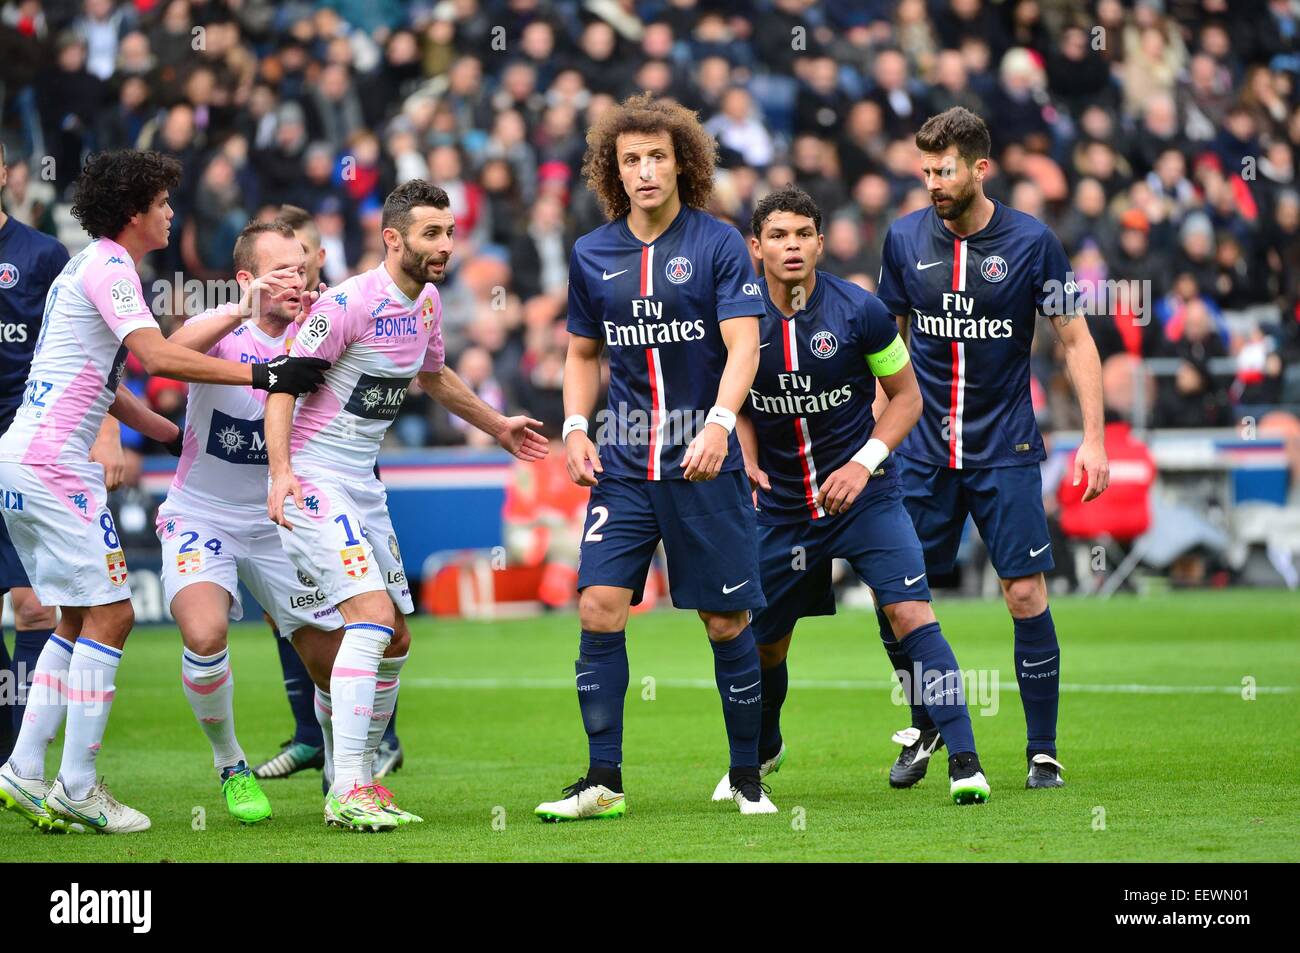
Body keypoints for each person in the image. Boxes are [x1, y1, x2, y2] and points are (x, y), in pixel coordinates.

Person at [0, 149, 327, 834]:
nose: (172, 212)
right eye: (162, 203)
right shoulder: (112, 266)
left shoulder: (85, 266)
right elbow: (157, 357)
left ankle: (25, 769)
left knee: (74, 616)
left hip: (23, 457)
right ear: (133, 212)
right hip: (56, 464)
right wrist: (260, 379)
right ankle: (79, 785)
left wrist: (161, 431)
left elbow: (104, 379)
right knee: (114, 616)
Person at [265, 179, 547, 831]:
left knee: (394, 636)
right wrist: (280, 472)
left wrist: (497, 424)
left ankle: (361, 776)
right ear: (393, 239)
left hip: (362, 481)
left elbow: (433, 374)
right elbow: (281, 385)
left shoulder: (426, 303)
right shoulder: (346, 305)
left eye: (449, 232)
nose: (445, 245)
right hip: (313, 476)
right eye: (431, 233)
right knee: (367, 616)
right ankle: (347, 786)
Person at [532, 93, 770, 821]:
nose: (644, 170)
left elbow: (744, 345)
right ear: (614, 169)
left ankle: (747, 778)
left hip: (704, 460)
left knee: (725, 623)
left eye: (657, 157)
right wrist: (575, 425)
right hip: (626, 464)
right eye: (630, 159)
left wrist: (722, 424)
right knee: (599, 607)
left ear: (682, 163)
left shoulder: (720, 243)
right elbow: (580, 352)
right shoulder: (591, 253)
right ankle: (603, 779)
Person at [725, 185, 989, 804]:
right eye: (778, 236)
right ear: (755, 246)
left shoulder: (861, 311)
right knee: (765, 643)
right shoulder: (734, 319)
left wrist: (864, 463)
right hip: (783, 509)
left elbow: (908, 398)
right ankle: (762, 752)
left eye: (802, 235)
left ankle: (967, 762)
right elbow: (732, 401)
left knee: (910, 612)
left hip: (866, 497)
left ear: (820, 242)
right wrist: (750, 458)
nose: (791, 247)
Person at [875, 108, 1109, 789]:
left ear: (981, 167)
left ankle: (1042, 751)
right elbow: (879, 347)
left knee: (1026, 592)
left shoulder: (1034, 242)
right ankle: (925, 725)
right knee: (899, 598)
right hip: (920, 450)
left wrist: (1094, 440)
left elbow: (1076, 341)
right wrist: (870, 438)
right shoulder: (902, 240)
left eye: (944, 170)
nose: (933, 183)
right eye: (925, 171)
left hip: (1004, 446)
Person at [156, 219, 344, 824]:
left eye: (303, 264)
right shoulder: (222, 333)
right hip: (200, 514)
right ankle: (231, 765)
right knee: (205, 634)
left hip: (278, 519)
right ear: (247, 277)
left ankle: (343, 766)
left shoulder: (320, 334)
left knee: (334, 662)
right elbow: (167, 358)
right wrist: (239, 310)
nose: (298, 277)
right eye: (281, 268)